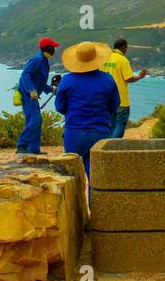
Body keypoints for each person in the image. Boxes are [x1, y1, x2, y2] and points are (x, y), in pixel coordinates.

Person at [55, 41, 120, 179]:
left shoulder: (66, 80)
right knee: (97, 181)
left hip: (74, 134)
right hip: (100, 133)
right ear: (96, 58)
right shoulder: (108, 79)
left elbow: (60, 107)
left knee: (72, 179)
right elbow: (114, 105)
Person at [15, 37, 60, 154]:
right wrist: (31, 90)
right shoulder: (38, 59)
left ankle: (33, 149)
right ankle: (22, 145)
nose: (54, 50)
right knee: (36, 119)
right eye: (53, 47)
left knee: (35, 120)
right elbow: (25, 74)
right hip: (28, 94)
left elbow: (40, 82)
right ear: (48, 49)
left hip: (31, 94)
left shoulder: (44, 60)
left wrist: (51, 89)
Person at [103, 38, 147, 138]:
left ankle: (108, 144)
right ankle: (112, 145)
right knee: (120, 124)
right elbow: (129, 78)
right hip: (121, 100)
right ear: (123, 47)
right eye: (126, 48)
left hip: (107, 100)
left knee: (112, 124)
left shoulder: (105, 59)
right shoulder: (123, 60)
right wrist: (140, 76)